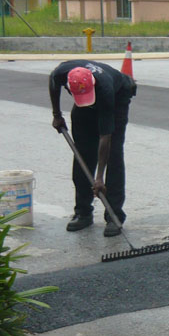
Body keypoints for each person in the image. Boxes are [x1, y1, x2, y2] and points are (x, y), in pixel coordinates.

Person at [49, 60, 136, 236]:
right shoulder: (62, 73)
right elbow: (53, 84)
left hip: (118, 97)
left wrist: (99, 179)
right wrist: (57, 115)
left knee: (113, 154)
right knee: (82, 152)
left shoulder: (105, 89)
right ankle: (83, 212)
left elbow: (106, 136)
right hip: (86, 97)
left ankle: (114, 216)